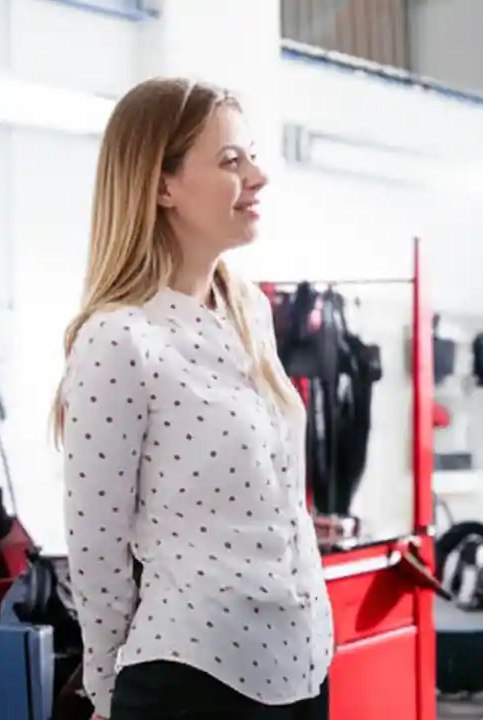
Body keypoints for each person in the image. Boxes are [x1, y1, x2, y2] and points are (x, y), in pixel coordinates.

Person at [51, 77, 333, 719]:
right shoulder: (120, 339)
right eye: (232, 161)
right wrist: (103, 692)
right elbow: (97, 549)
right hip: (195, 675)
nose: (258, 176)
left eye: (253, 156)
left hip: (303, 662)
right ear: (162, 185)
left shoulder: (249, 311)